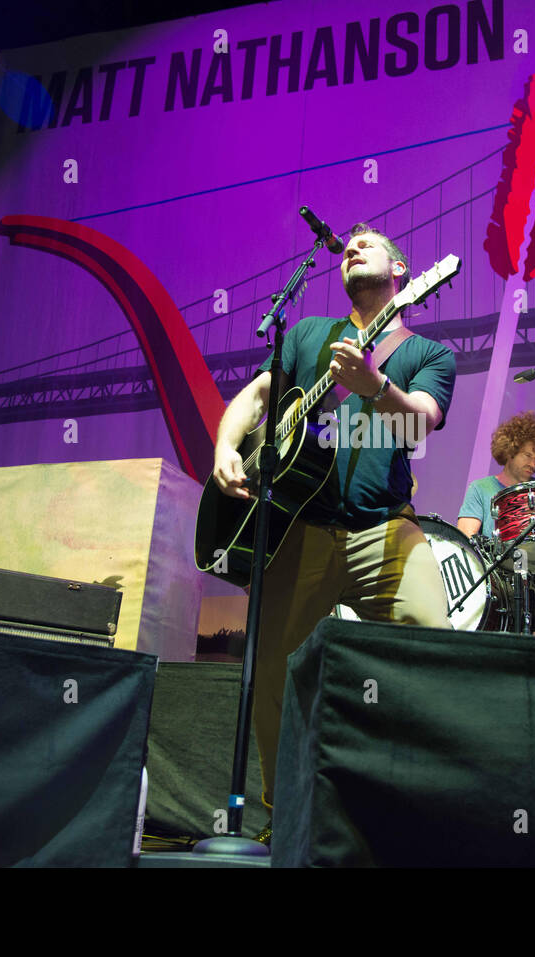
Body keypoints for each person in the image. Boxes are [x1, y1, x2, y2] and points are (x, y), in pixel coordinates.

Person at [211, 223, 456, 817]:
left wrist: (376, 388)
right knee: (270, 666)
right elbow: (257, 397)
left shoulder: (428, 353)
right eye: (347, 247)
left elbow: (420, 421)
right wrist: (224, 446)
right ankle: (285, 812)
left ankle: (426, 807)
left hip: (384, 527)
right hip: (305, 528)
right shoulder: (307, 335)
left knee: (437, 646)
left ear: (403, 272)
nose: (351, 249)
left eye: (368, 245)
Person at [457, 410, 535, 538]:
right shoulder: (480, 488)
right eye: (527, 456)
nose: (532, 464)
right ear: (510, 451)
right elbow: (465, 540)